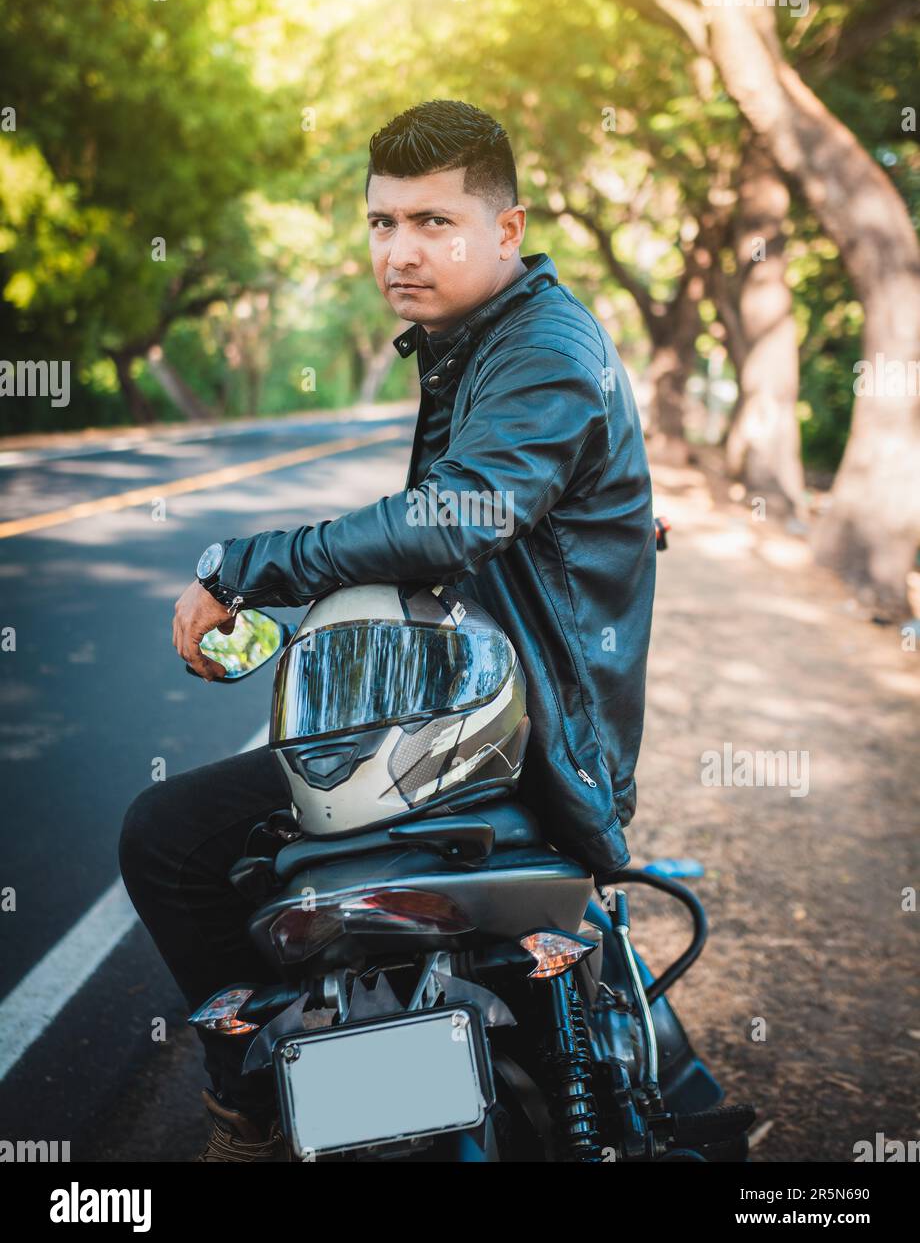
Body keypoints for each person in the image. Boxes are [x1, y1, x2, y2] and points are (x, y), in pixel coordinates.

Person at [118, 99, 656, 1161]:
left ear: (505, 231)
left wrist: (243, 565)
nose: (400, 251)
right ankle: (343, 1070)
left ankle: (256, 1093)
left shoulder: (537, 345)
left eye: (432, 222)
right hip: (482, 709)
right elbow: (504, 503)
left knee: (168, 836)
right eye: (381, 224)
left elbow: (454, 516)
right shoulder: (484, 338)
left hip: (530, 743)